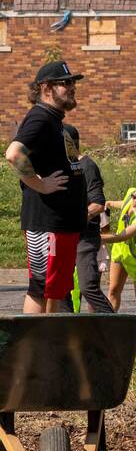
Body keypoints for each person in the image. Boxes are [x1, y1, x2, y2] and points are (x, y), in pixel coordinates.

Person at [5, 61, 86, 313]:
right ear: (46, 88)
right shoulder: (40, 117)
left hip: (62, 224)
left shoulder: (55, 120)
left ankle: (49, 347)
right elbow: (14, 153)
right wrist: (40, 184)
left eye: (73, 82)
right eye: (66, 83)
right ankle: (33, 349)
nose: (72, 87)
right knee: (40, 288)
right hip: (47, 224)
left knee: (57, 291)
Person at [66, 124, 115, 313]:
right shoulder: (67, 165)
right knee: (62, 288)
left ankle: (114, 329)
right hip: (66, 236)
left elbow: (97, 205)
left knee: (88, 286)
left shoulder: (86, 166)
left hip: (85, 237)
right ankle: (69, 333)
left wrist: (76, 220)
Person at [102, 182, 136, 322]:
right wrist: (109, 203)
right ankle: (108, 326)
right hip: (121, 252)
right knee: (113, 291)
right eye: (134, 197)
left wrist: (95, 238)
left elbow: (122, 236)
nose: (135, 201)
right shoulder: (132, 193)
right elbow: (125, 202)